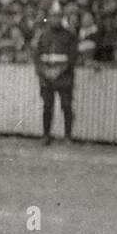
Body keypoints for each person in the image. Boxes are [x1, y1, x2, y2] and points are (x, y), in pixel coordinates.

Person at [33, 10, 78, 145]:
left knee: (66, 106)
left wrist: (59, 70)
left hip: (64, 77)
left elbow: (72, 57)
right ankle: (46, 135)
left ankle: (68, 136)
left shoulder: (69, 36)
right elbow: (37, 56)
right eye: (52, 17)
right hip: (47, 77)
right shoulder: (44, 35)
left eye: (58, 17)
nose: (55, 20)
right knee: (47, 106)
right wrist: (44, 70)